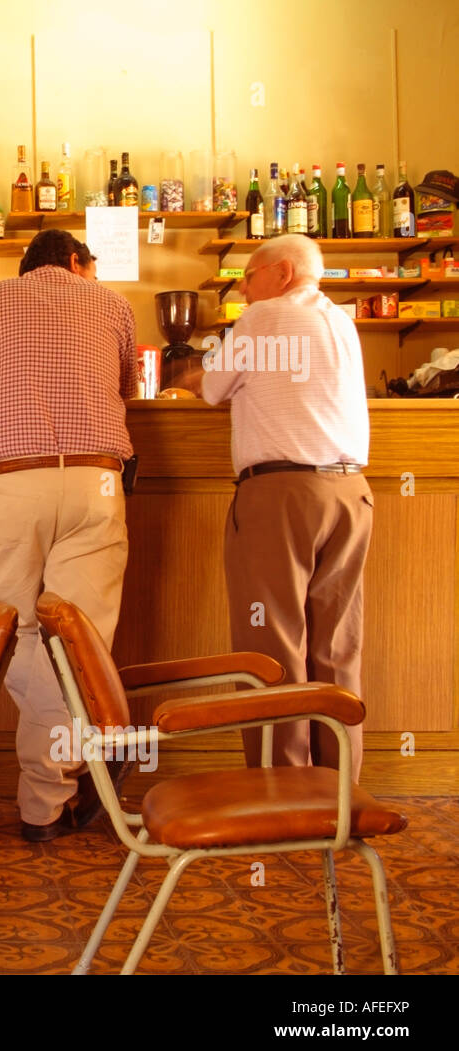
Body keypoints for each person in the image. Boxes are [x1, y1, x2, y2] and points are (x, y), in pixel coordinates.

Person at [0, 229, 137, 841]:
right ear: (76, 261)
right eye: (91, 266)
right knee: (78, 636)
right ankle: (58, 782)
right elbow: (127, 389)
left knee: (4, 631)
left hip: (16, 483)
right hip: (97, 483)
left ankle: (57, 780)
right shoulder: (113, 305)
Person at [201, 234, 371, 780]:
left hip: (283, 496)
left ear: (281, 272)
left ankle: (281, 791)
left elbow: (210, 388)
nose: (244, 290)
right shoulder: (342, 322)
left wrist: (189, 373)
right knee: (337, 647)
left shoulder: (264, 318)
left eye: (247, 278)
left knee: (271, 645)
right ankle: (338, 790)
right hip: (350, 495)